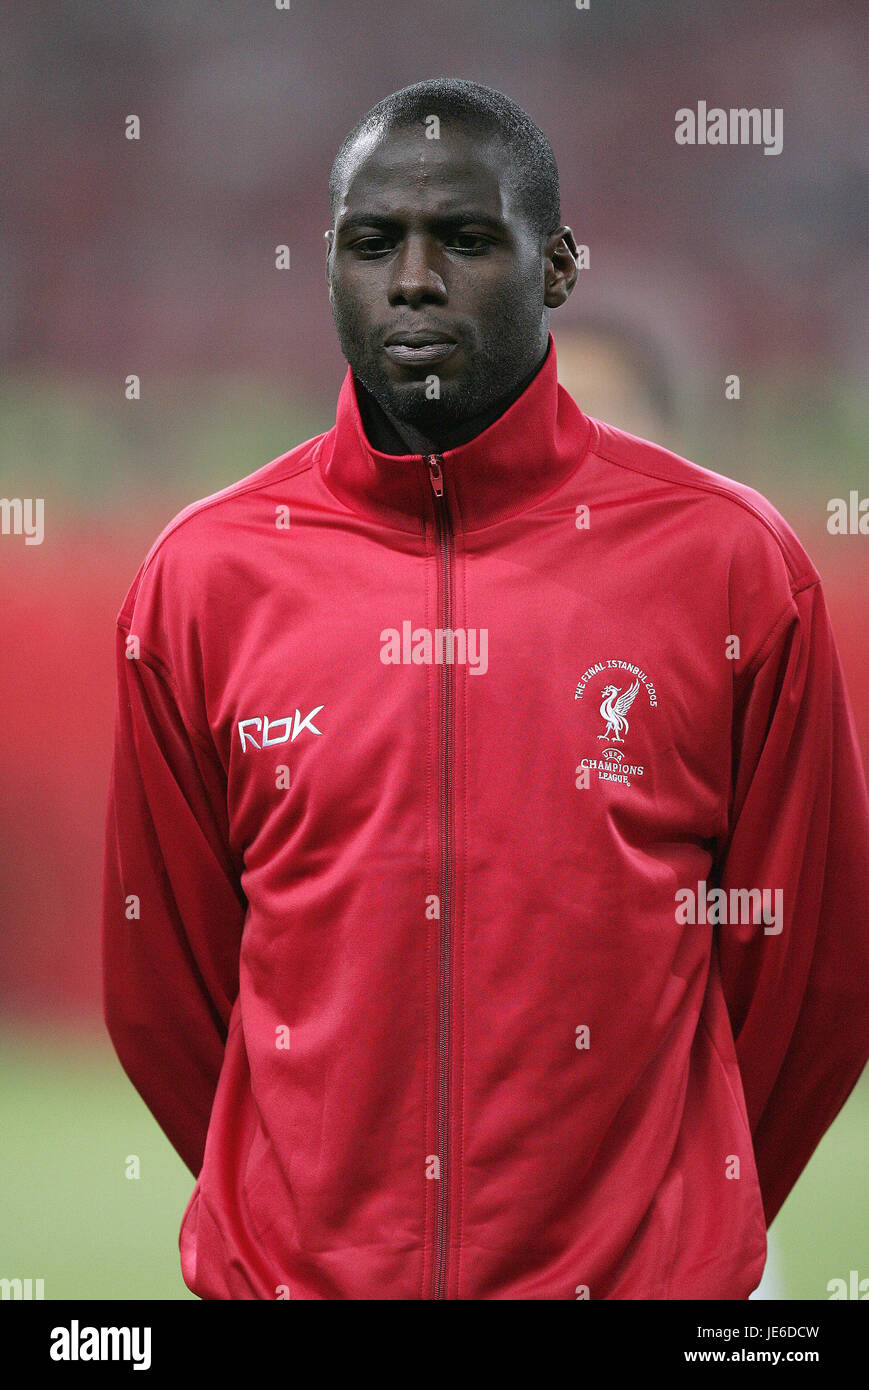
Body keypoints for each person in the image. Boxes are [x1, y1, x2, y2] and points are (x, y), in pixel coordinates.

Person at [101, 78, 869, 1301]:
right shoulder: (203, 576)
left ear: (556, 267)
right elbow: (166, 989)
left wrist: (662, 1238)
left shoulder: (730, 564)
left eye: (462, 240)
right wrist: (309, 1235)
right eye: (372, 243)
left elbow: (809, 972)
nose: (412, 281)